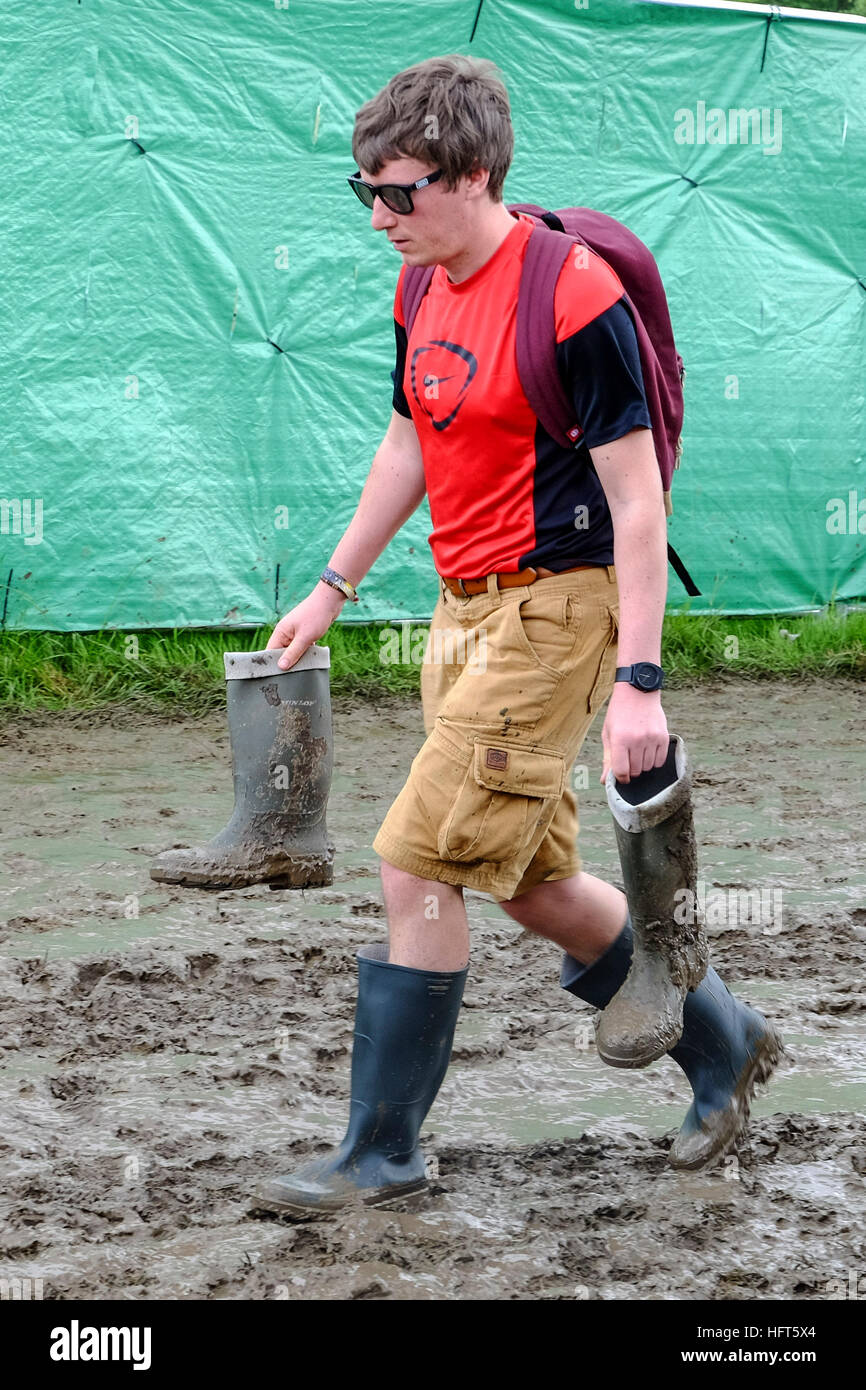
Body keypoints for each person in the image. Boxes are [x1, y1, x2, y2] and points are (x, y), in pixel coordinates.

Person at [253, 55, 781, 1217]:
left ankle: (381, 1153)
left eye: (401, 193)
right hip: (463, 610)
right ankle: (724, 1048)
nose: (380, 216)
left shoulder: (568, 293)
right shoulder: (418, 286)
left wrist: (637, 687)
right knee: (532, 882)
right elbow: (408, 441)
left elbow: (638, 505)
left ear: (476, 172)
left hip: (559, 607)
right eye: (365, 192)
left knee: (415, 858)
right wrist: (333, 586)